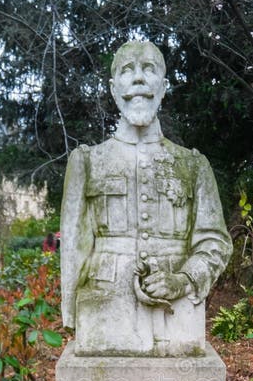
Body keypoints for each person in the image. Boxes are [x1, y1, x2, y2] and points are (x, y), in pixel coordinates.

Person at [60, 40, 232, 356]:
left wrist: (183, 280)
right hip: (103, 314)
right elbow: (75, 244)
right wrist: (69, 311)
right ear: (113, 89)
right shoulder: (87, 162)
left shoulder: (193, 165)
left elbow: (215, 243)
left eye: (148, 69)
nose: (138, 79)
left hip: (178, 317)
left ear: (163, 87)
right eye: (128, 71)